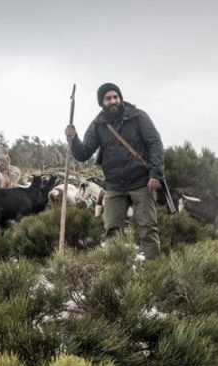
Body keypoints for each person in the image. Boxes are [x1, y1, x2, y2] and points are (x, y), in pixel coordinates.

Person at [65, 82, 165, 259]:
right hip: (115, 186)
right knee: (112, 231)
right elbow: (83, 153)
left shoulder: (138, 116)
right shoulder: (98, 125)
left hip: (142, 182)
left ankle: (154, 270)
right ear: (102, 103)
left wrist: (155, 173)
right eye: (108, 98)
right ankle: (115, 271)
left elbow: (155, 144)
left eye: (115, 97)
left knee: (147, 229)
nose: (113, 101)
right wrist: (73, 138)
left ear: (120, 98)